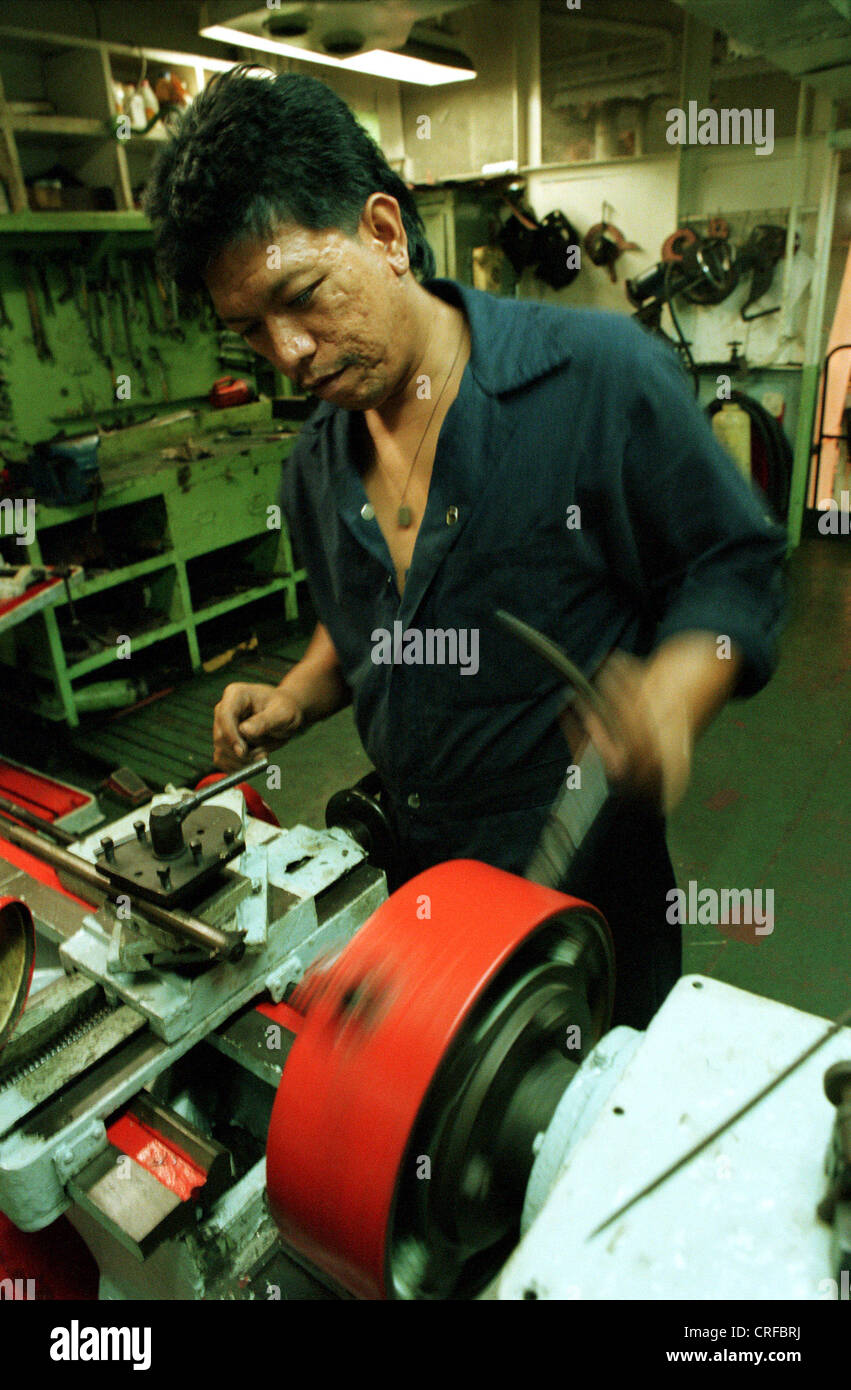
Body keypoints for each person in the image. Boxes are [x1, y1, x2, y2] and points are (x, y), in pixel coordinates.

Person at [144, 66, 787, 1028]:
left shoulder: (600, 380)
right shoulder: (315, 465)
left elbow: (731, 561)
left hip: (588, 888)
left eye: (302, 296)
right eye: (248, 330)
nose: (287, 353)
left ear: (384, 233)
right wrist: (296, 694)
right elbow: (361, 621)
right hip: (422, 887)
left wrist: (678, 689)